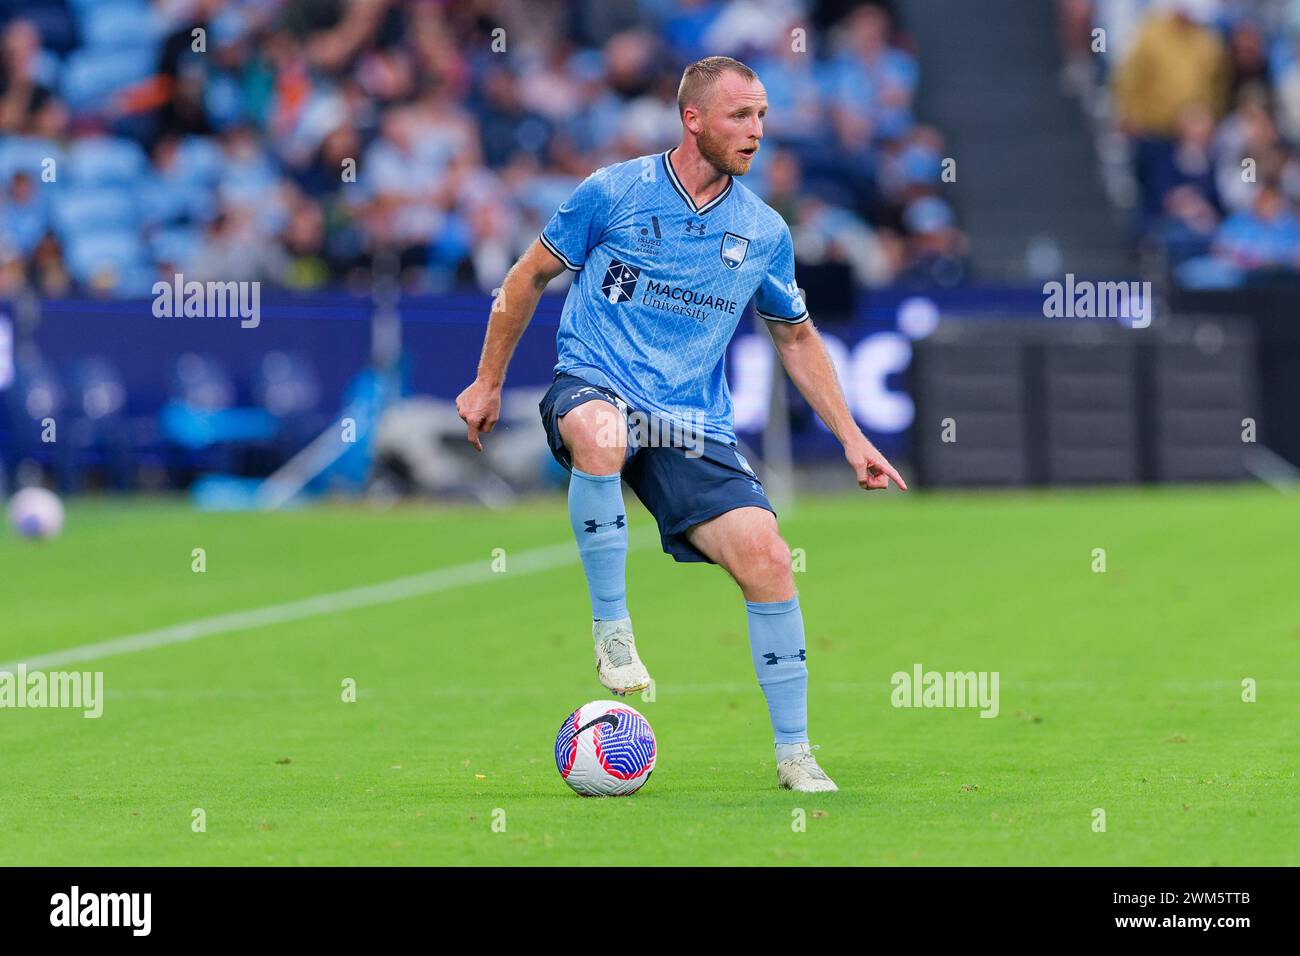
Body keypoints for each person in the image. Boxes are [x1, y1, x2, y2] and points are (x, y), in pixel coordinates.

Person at [456, 56, 906, 792]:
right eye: (740, 115)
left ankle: (795, 753)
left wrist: (852, 438)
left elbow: (794, 335)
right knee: (601, 434)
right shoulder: (615, 191)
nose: (756, 130)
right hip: (595, 382)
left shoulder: (763, 231)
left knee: (767, 555)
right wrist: (488, 379)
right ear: (692, 118)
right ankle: (613, 633)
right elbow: (527, 276)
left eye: (762, 115)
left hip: (688, 424)